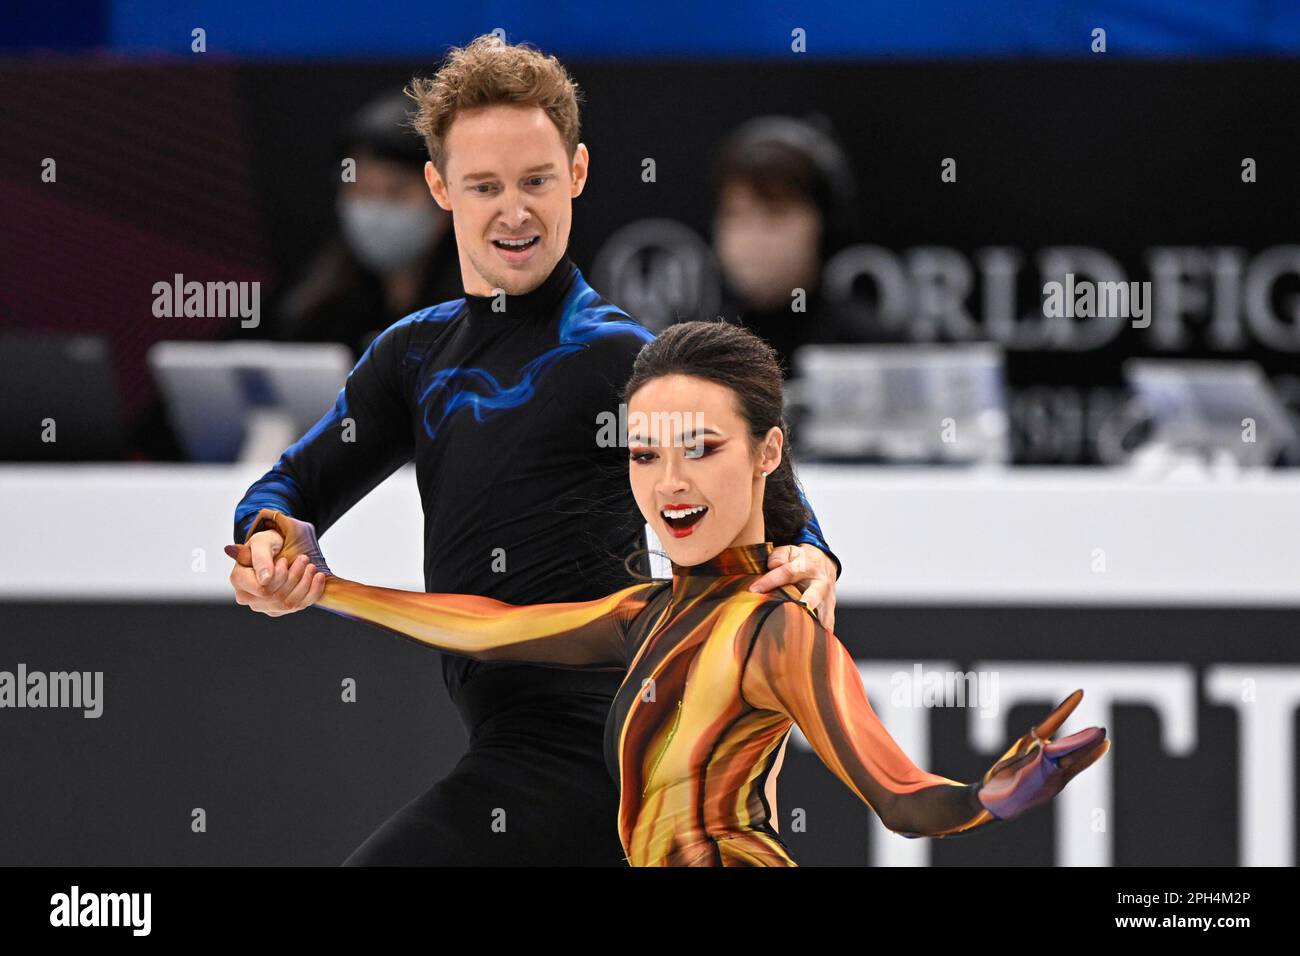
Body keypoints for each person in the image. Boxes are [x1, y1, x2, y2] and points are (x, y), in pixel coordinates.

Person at [228, 35, 843, 866]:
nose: (514, 211)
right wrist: (270, 541)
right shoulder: (413, 356)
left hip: (593, 743)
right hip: (521, 747)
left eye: (536, 181)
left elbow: (772, 493)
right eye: (485, 186)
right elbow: (290, 485)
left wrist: (812, 555)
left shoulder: (616, 355)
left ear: (577, 173)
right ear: (441, 187)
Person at [227, 320, 1109, 867]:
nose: (670, 483)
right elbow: (487, 627)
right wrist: (326, 588)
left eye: (701, 449)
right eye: (645, 454)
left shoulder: (776, 630)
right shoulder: (645, 614)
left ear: (767, 453)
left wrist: (986, 798)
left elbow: (901, 796)